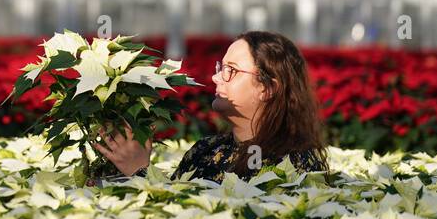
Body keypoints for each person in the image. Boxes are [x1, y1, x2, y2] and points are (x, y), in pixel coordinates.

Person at [94, 30, 328, 183]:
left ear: (267, 88)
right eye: (221, 68)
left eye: (231, 71)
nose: (216, 78)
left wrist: (139, 170)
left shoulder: (294, 161)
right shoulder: (205, 150)